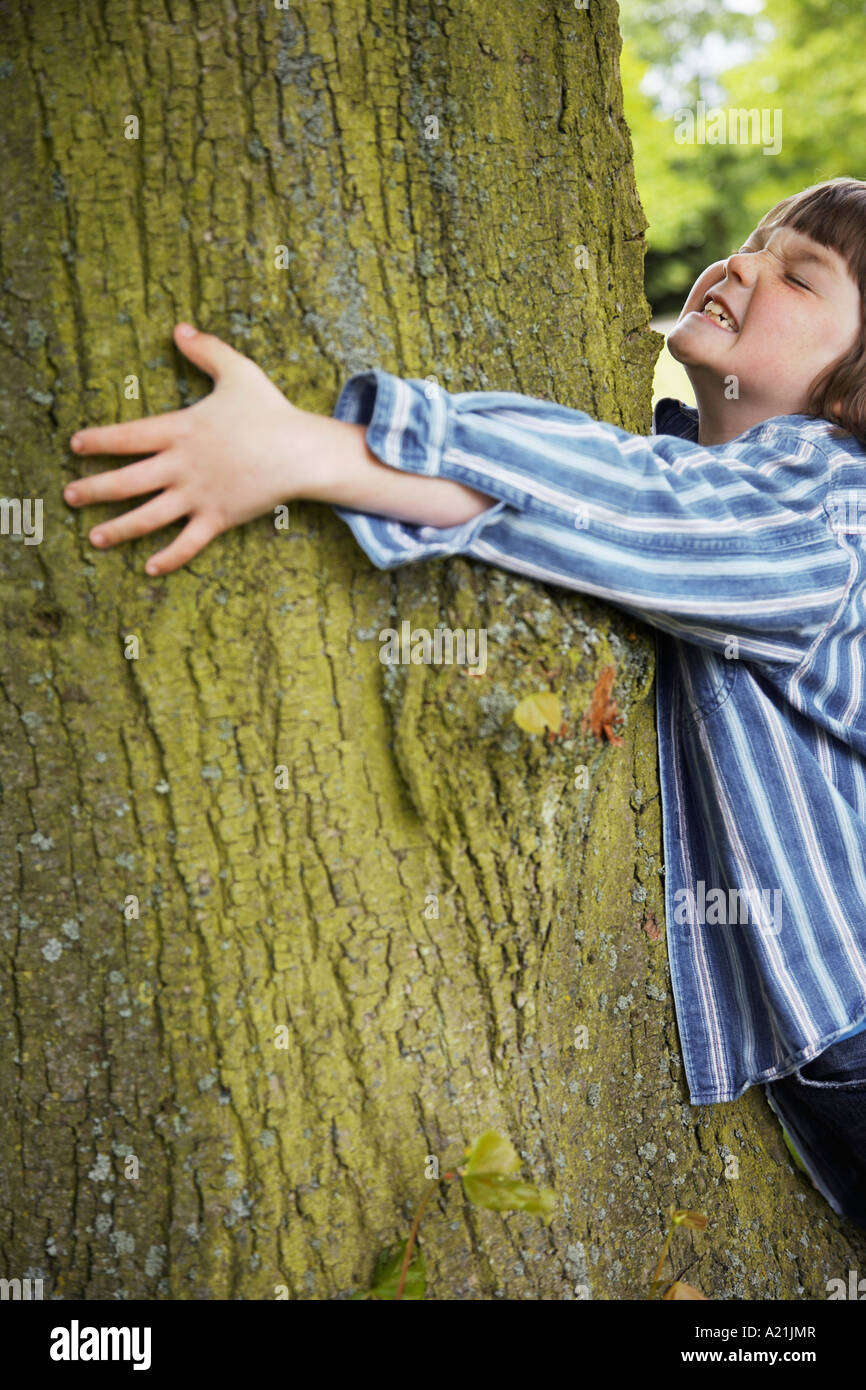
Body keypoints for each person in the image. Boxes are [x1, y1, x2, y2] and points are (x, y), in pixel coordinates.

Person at [63, 176, 866, 1229]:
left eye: (798, 275)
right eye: (757, 240)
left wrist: (323, 448)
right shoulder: (723, 486)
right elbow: (584, 514)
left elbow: (629, 506)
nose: (746, 263)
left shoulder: (832, 510)